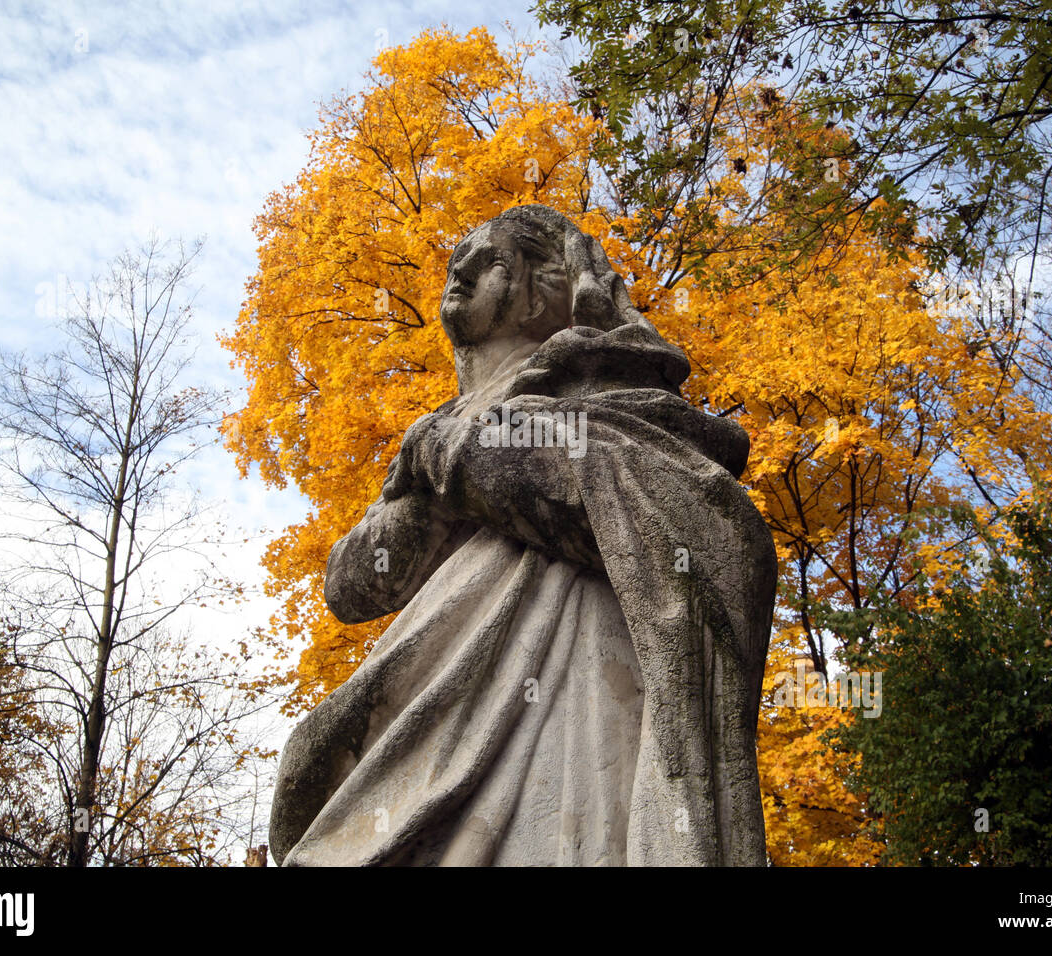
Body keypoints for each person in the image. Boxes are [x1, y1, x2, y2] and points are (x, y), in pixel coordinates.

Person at [270, 204, 776, 866]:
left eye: (494, 262)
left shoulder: (607, 382)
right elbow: (352, 587)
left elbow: (690, 522)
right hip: (431, 707)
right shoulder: (436, 433)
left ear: (548, 291)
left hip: (572, 697)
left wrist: (451, 457)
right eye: (458, 261)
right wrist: (433, 467)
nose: (463, 271)